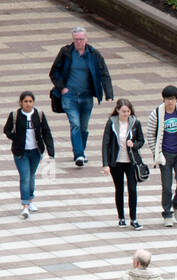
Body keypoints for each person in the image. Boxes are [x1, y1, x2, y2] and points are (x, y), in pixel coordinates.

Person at [48, 26, 113, 167]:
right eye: (76, 39)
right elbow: (54, 71)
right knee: (75, 124)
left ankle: (80, 151)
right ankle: (79, 154)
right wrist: (61, 88)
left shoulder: (94, 54)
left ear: (86, 39)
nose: (78, 42)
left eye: (81, 39)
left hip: (86, 96)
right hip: (69, 96)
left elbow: (104, 73)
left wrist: (109, 94)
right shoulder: (66, 52)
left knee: (84, 127)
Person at [143, 84, 177, 226]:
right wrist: (156, 153)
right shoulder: (156, 113)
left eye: (173, 99)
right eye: (167, 99)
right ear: (163, 99)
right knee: (166, 186)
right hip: (165, 155)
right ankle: (167, 213)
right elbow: (150, 135)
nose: (170, 102)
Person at [5, 91, 56, 219]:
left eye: (30, 101)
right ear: (21, 102)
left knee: (31, 175)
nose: (28, 104)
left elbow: (46, 133)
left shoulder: (39, 115)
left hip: (35, 151)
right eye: (25, 101)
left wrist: (51, 151)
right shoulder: (15, 115)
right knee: (25, 176)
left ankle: (30, 199)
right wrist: (15, 138)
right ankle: (25, 206)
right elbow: (7, 129)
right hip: (20, 152)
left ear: (33, 102)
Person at [99, 98, 143, 229]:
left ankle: (133, 218)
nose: (126, 114)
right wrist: (105, 164)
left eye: (128, 111)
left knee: (132, 189)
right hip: (116, 162)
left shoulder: (135, 123)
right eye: (123, 111)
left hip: (131, 162)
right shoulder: (112, 123)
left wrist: (133, 144)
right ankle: (121, 217)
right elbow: (105, 144)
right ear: (117, 110)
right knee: (119, 189)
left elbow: (141, 140)